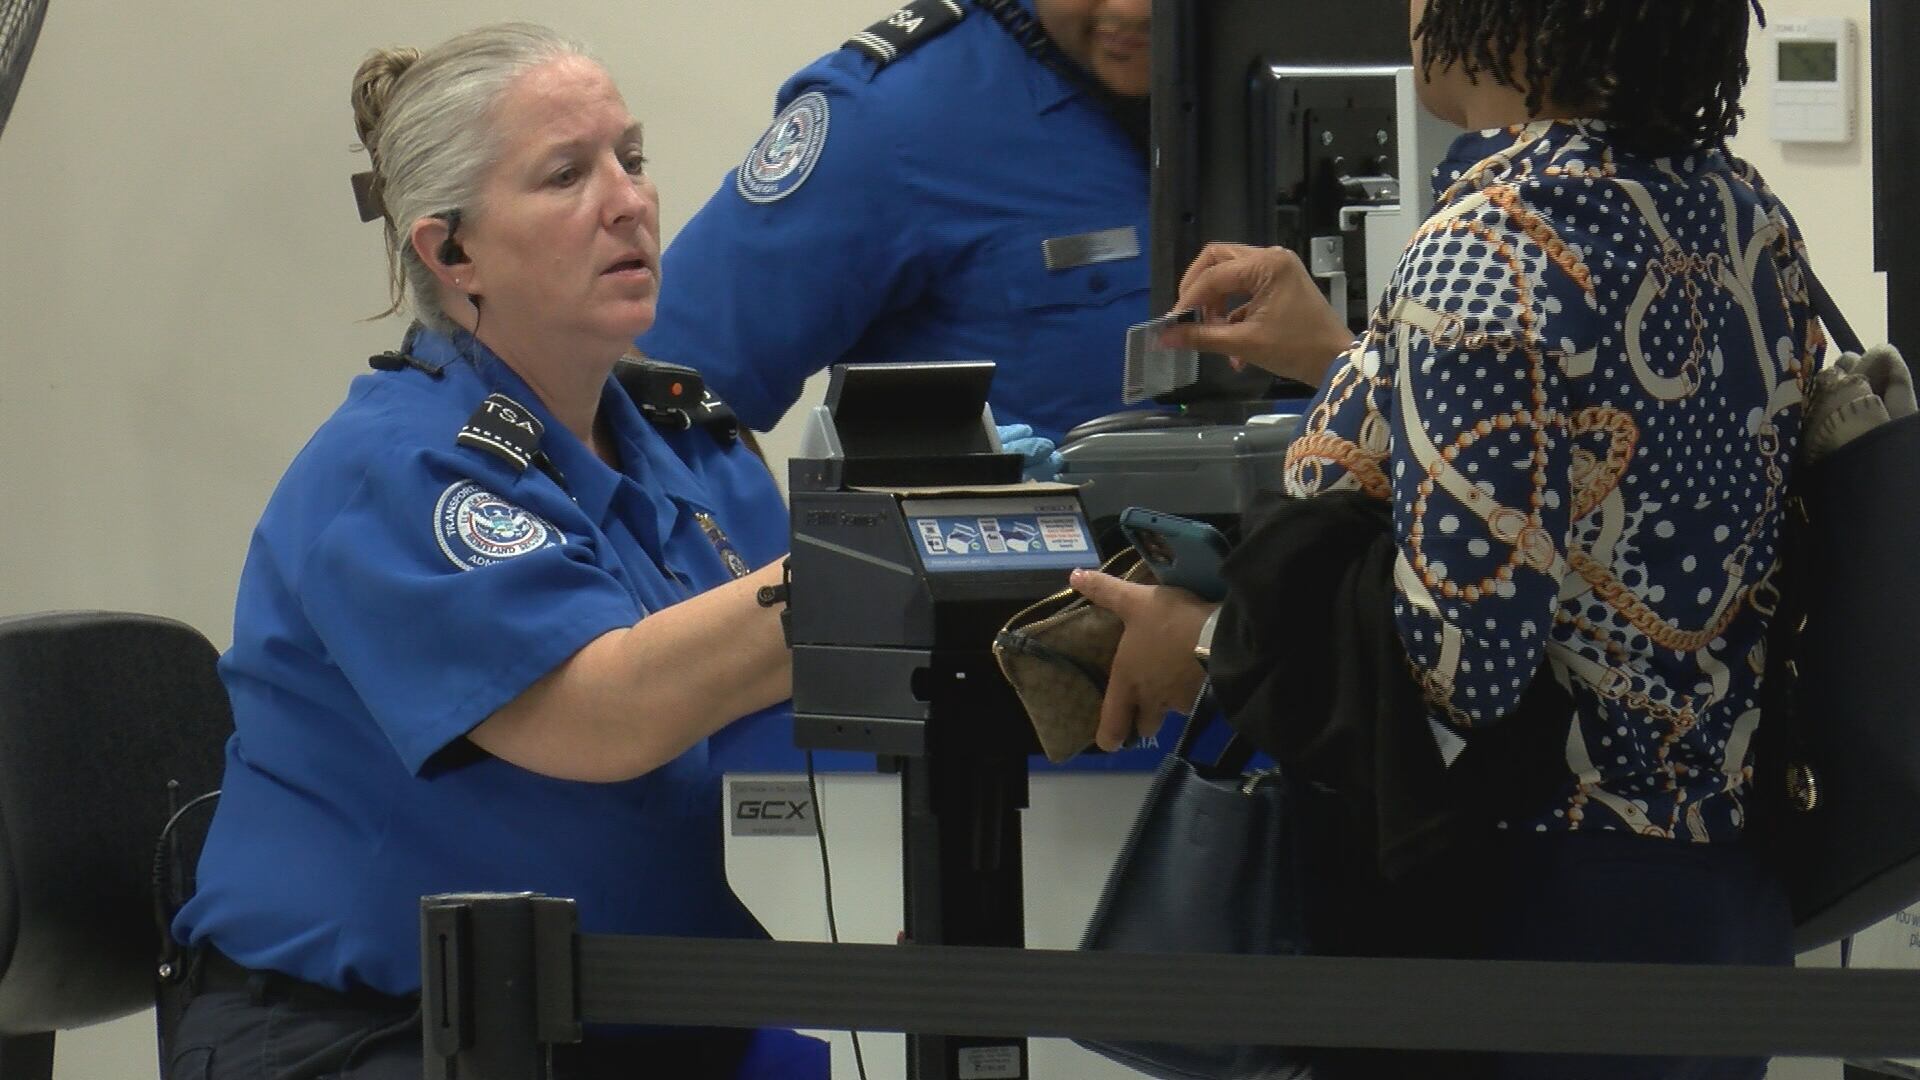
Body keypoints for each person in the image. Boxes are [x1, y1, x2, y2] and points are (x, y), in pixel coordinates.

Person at [1072, 1, 1812, 1077]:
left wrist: (1203, 641)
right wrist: (1349, 354)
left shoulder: (1487, 246)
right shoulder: (1741, 215)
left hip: (1526, 928)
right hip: (1715, 909)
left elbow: (1458, 672)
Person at [167, 24, 827, 1079]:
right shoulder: (394, 469)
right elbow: (603, 714)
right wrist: (865, 573)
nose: (630, 201)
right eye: (568, 174)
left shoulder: (687, 442)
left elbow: (816, 699)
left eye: (633, 158)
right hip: (382, 1036)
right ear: (451, 251)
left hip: (651, 1021)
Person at [636, 0, 1153, 448]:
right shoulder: (895, 114)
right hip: (1024, 552)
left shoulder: (1228, 83)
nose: (1132, 10)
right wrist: (783, 562)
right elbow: (665, 392)